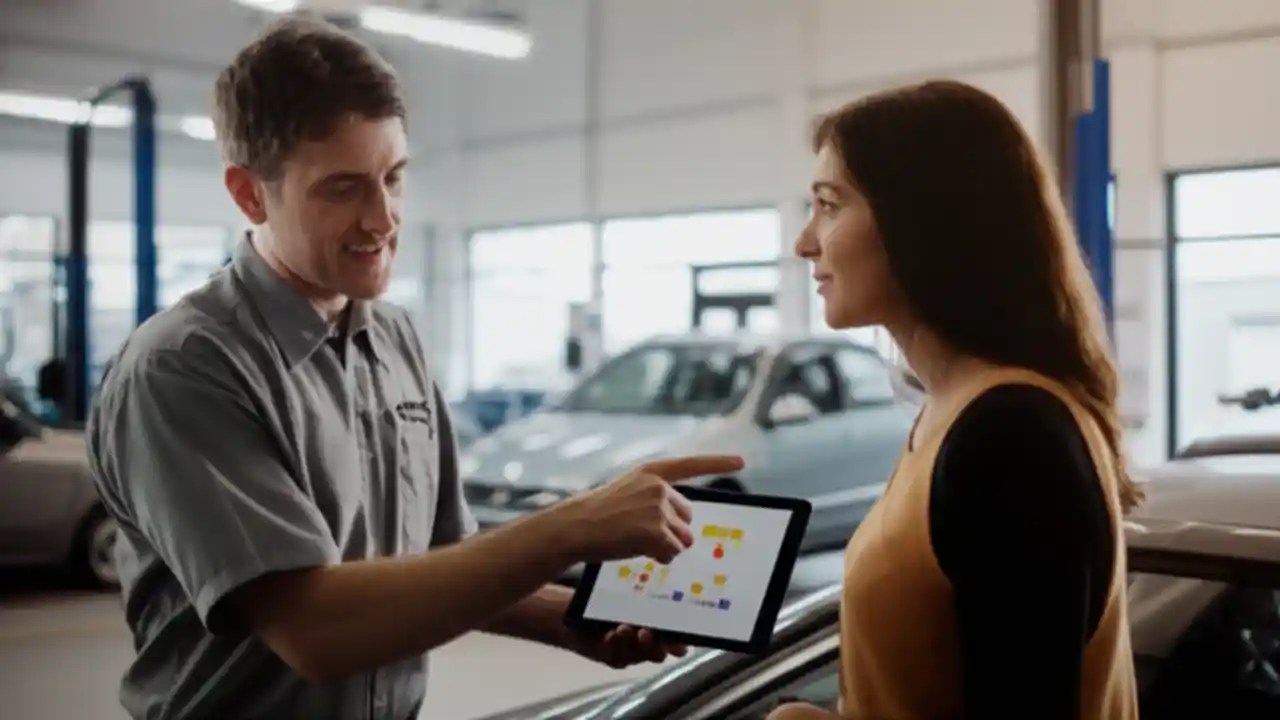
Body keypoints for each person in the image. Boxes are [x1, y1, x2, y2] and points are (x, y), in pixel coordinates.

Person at [85, 17, 743, 720]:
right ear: (250, 194)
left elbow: (442, 559)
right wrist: (572, 527)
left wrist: (573, 619)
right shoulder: (184, 368)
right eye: (342, 189)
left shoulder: (394, 340)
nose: (383, 218)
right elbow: (314, 629)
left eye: (394, 177)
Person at [769, 80, 1143, 719]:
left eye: (830, 206)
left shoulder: (1010, 435)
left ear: (923, 221)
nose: (806, 243)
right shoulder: (957, 414)